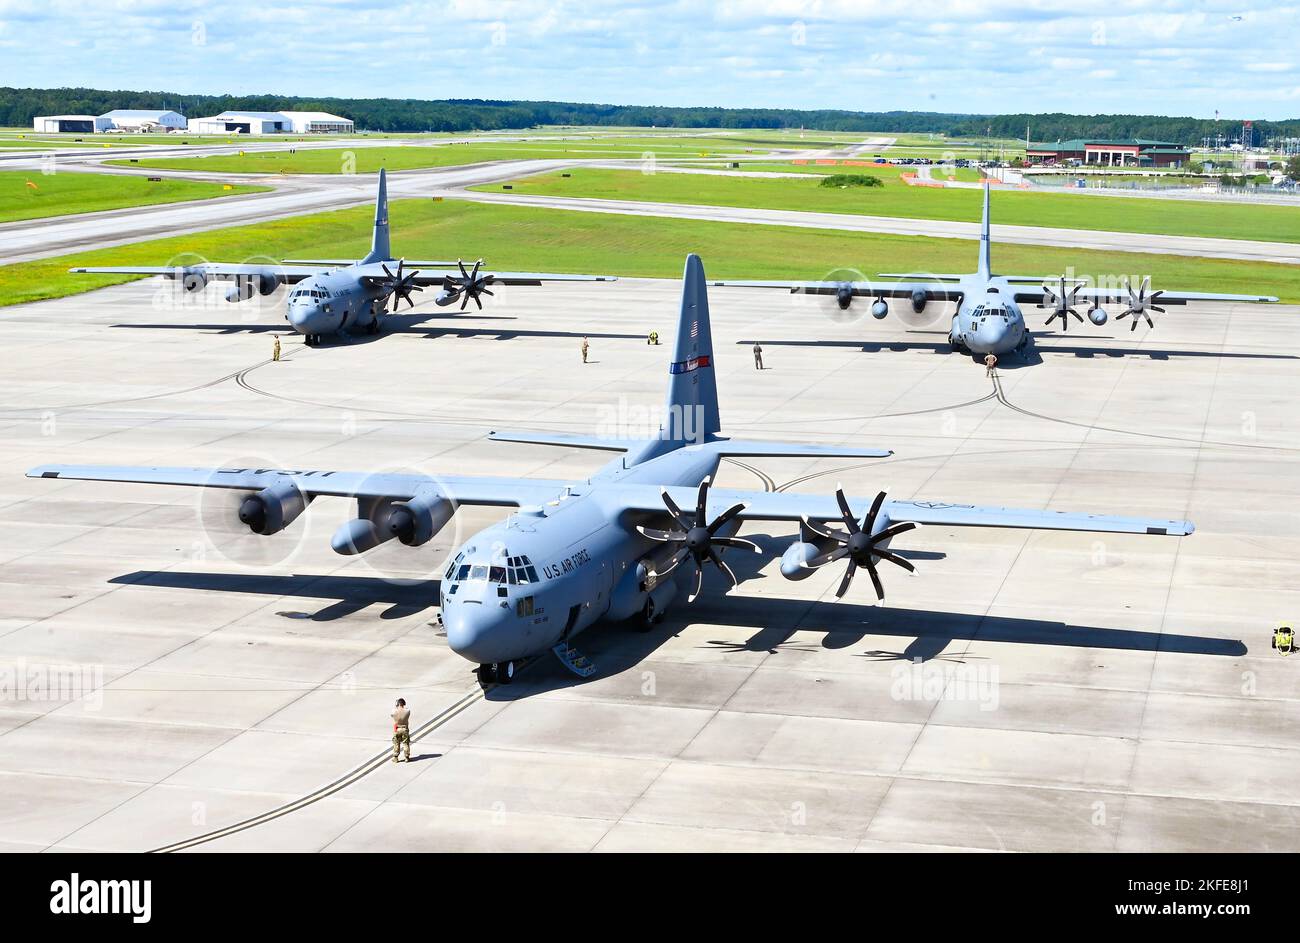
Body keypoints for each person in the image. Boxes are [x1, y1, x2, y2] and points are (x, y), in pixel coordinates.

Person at [391, 698, 411, 762]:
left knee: (396, 743)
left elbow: (392, 714)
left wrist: (396, 707)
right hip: (405, 729)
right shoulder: (407, 711)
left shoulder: (394, 711)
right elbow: (407, 710)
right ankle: (406, 757)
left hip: (397, 729)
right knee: (405, 743)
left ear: (398, 704)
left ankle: (395, 757)